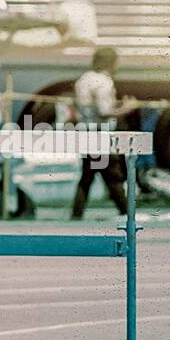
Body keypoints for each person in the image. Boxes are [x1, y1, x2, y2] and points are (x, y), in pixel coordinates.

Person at [70, 47, 137, 219]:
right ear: (111, 62)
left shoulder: (83, 79)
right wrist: (126, 108)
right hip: (101, 132)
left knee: (88, 175)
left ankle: (76, 214)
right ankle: (126, 211)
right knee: (112, 174)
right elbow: (104, 110)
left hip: (86, 131)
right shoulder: (104, 82)